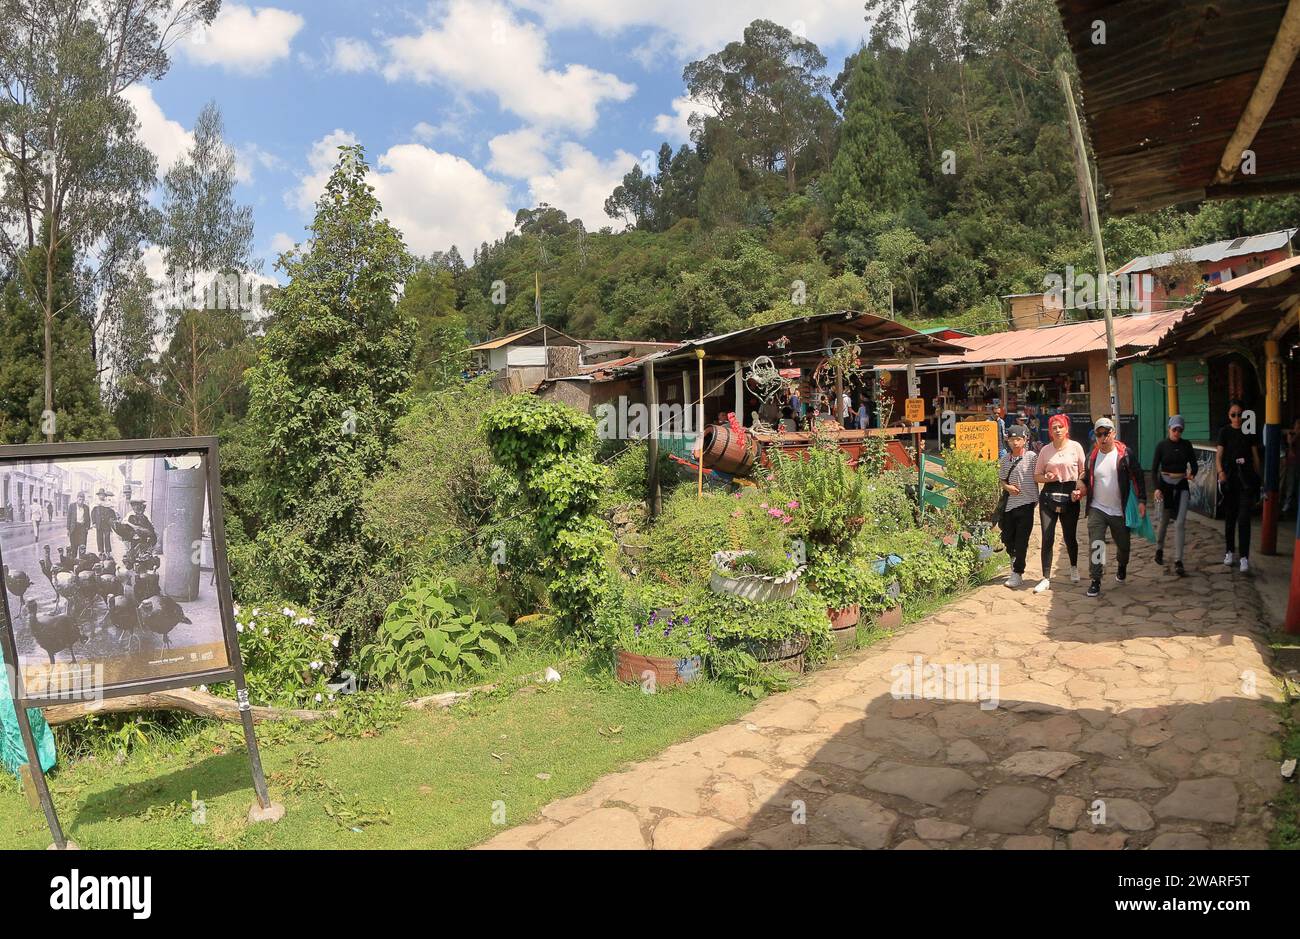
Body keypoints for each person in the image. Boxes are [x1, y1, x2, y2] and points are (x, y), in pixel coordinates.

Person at [1083, 417, 1146, 598]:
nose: (1103, 437)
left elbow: (1138, 476)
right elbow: (1086, 478)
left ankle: (1122, 565)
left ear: (1114, 433)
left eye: (1106, 433)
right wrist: (1080, 485)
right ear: (1095, 436)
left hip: (1119, 510)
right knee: (1097, 544)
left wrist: (1142, 500)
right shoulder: (1092, 457)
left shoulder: (1125, 454)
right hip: (1097, 508)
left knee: (1124, 547)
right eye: (1099, 434)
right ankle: (1096, 580)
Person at [1033, 413, 1087, 593]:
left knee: (1069, 535)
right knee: (1047, 536)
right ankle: (1045, 577)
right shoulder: (1045, 450)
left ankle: (1073, 567)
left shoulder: (1076, 447)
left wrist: (1080, 486)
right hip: (1049, 494)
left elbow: (1083, 471)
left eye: (1060, 427)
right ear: (1050, 430)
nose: (1057, 430)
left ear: (1066, 428)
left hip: (1070, 495)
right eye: (1054, 427)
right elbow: (1037, 475)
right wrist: (1046, 477)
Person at [1217, 399, 1262, 573]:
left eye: (1239, 414)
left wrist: (1259, 479)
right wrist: (1220, 472)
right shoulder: (1224, 432)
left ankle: (1244, 557)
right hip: (1230, 480)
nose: (1236, 417)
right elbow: (1219, 456)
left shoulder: (1249, 432)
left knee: (1244, 519)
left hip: (1246, 480)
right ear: (1229, 416)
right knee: (1230, 518)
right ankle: (1229, 551)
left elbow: (1255, 457)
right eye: (1233, 414)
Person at [1151, 415, 1196, 576]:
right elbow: (1154, 469)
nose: (1177, 432)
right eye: (1174, 429)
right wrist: (1156, 488)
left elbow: (1194, 465)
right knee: (1164, 520)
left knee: (1180, 523)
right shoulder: (1162, 446)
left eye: (1180, 429)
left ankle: (1178, 560)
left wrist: (1192, 473)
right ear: (1169, 429)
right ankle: (1159, 549)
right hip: (1165, 486)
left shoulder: (1186, 445)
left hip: (1182, 486)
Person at [999, 425, 1038, 588]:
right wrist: (1007, 488)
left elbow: (1039, 474)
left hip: (1027, 503)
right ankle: (1014, 559)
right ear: (1007, 441)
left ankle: (1017, 572)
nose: (1015, 443)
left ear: (1025, 440)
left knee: (1022, 540)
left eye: (1018, 439)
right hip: (1010, 505)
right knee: (1007, 537)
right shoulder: (1005, 460)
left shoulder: (1032, 457)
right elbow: (1002, 480)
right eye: (1012, 439)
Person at [91, 490, 118, 556]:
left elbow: (112, 512)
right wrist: (94, 522)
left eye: (103, 495)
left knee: (107, 537)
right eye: (100, 495)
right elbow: (93, 514)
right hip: (99, 523)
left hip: (106, 523)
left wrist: (113, 520)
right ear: (98, 496)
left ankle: (108, 551)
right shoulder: (96, 504)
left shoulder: (108, 504)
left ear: (105, 496)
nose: (101, 496)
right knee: (99, 537)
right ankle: (101, 550)